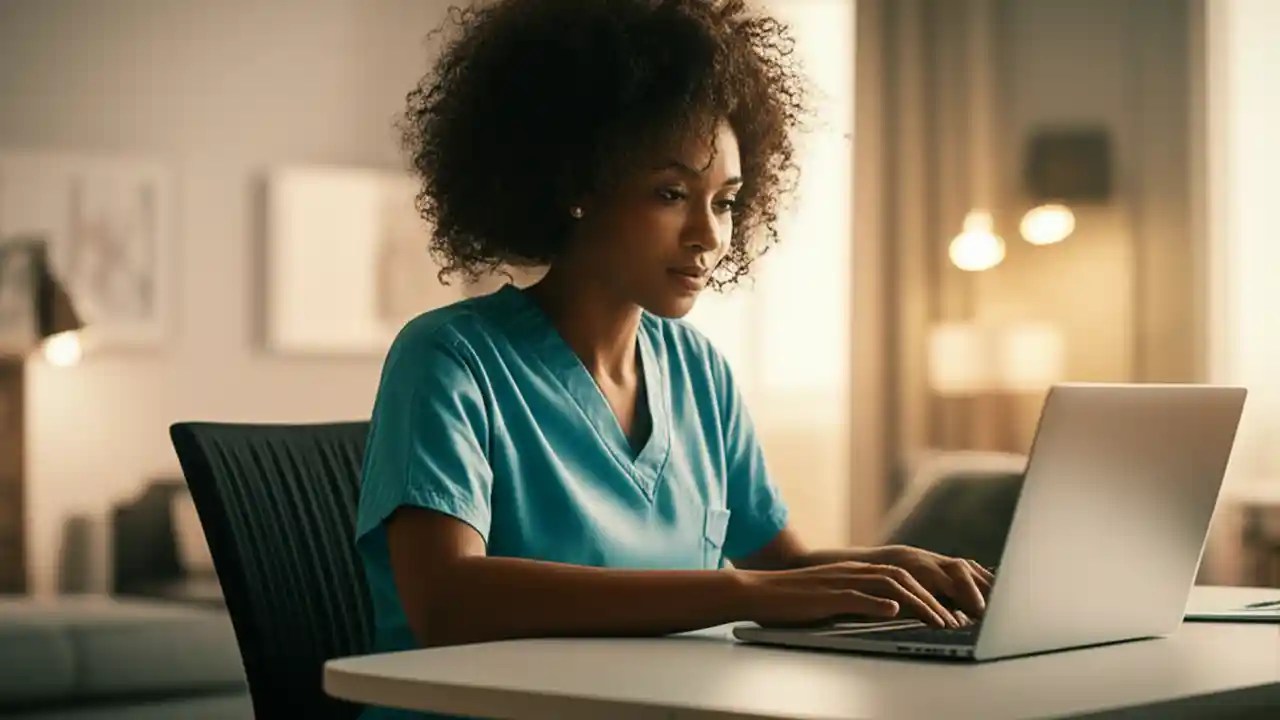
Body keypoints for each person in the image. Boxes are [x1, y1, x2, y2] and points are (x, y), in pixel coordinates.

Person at [356, 1, 993, 717]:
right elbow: (448, 602)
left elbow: (776, 565)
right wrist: (737, 593)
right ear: (574, 188)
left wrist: (887, 565)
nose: (709, 236)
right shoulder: (451, 357)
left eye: (725, 202)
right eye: (670, 194)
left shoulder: (699, 372)